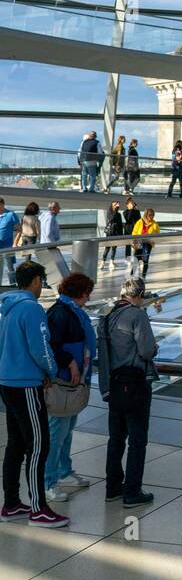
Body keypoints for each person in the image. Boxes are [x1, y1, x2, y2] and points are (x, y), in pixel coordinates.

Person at [0, 261, 65, 525]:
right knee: (39, 444)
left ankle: (12, 503)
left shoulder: (6, 308)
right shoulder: (32, 309)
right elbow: (41, 348)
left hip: (7, 382)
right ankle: (39, 508)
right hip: (26, 384)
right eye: (42, 279)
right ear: (36, 281)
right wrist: (51, 372)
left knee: (16, 443)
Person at [98, 277, 159, 506]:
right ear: (139, 295)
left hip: (114, 385)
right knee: (137, 440)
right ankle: (132, 492)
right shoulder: (137, 315)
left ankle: (113, 487)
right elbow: (145, 350)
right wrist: (154, 348)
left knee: (116, 438)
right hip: (135, 384)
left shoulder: (106, 318)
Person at [45, 273, 96, 502]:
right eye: (87, 292)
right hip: (63, 380)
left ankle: (64, 471)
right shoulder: (60, 313)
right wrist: (69, 362)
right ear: (81, 293)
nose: (89, 297)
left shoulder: (71, 311)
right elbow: (52, 344)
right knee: (56, 433)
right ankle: (49, 480)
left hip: (73, 380)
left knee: (67, 430)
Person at [131, 208, 160, 279]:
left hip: (148, 244)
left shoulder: (155, 224)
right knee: (136, 259)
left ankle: (143, 277)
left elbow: (158, 236)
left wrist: (152, 241)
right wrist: (134, 242)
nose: (152, 217)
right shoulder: (140, 222)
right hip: (139, 243)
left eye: (153, 215)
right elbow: (134, 232)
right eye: (150, 215)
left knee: (145, 260)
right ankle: (132, 276)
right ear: (146, 215)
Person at [0, 197, 21, 287]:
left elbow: (19, 230)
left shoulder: (11, 214)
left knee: (10, 268)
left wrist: (15, 243)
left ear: (3, 204)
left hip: (8, 247)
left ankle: (13, 285)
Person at [102, 200, 124, 269]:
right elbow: (111, 219)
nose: (116, 206)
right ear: (111, 206)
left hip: (116, 233)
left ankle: (112, 261)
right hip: (110, 232)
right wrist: (115, 210)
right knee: (107, 248)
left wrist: (121, 234)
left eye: (116, 205)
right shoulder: (109, 212)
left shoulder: (119, 214)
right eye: (114, 205)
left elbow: (120, 225)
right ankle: (103, 262)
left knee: (114, 248)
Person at [122, 196, 138, 266]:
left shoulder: (136, 211)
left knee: (135, 244)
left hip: (135, 229)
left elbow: (139, 219)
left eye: (132, 202)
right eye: (130, 202)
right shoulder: (125, 212)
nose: (132, 203)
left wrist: (136, 210)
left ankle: (135, 258)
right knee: (128, 245)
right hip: (128, 229)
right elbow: (128, 218)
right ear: (127, 204)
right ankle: (127, 259)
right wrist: (131, 209)